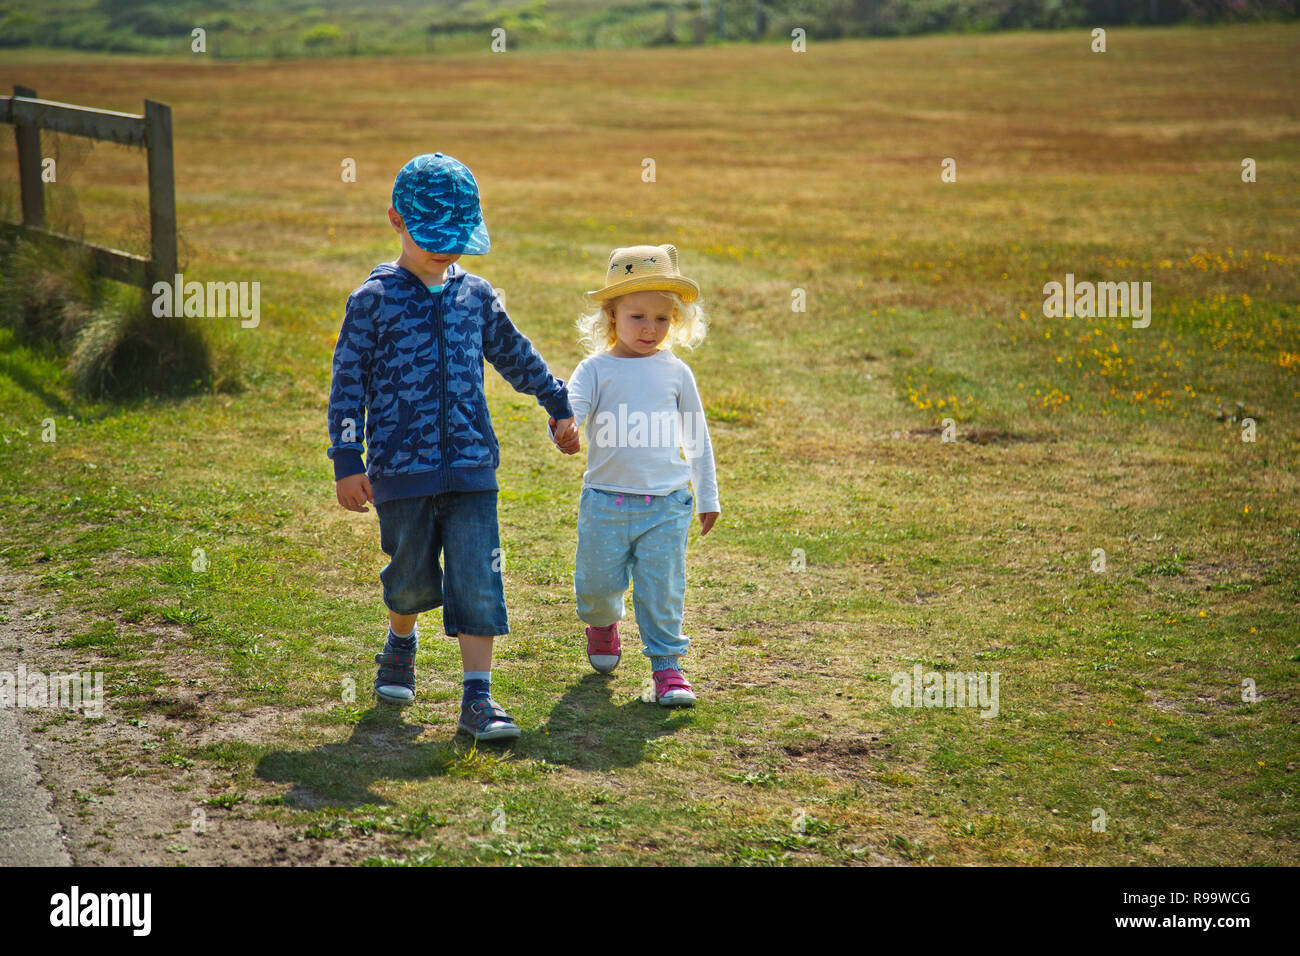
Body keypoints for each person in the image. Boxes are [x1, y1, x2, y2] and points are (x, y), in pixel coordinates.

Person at [327, 152, 579, 741]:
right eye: (432, 237)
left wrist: (557, 401)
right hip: (400, 471)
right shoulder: (373, 300)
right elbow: (347, 385)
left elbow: (514, 353)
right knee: (411, 578)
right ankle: (400, 640)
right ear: (396, 220)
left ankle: (478, 700)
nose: (446, 250)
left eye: (455, 239)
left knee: (477, 580)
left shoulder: (477, 295)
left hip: (471, 468)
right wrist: (346, 459)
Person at [549, 244, 721, 706]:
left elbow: (697, 437)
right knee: (596, 590)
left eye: (662, 319)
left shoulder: (677, 372)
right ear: (611, 317)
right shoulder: (595, 369)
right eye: (637, 317)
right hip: (605, 502)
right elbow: (572, 411)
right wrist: (565, 431)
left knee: (662, 591)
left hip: (666, 505)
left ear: (676, 321)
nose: (650, 329)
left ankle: (668, 668)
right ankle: (603, 624)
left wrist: (707, 496)